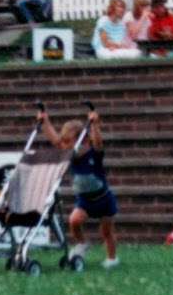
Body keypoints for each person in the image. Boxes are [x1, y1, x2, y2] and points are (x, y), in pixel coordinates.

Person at [38, 106, 120, 269]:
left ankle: (111, 258)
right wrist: (45, 122)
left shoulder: (93, 153)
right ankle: (82, 243)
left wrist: (94, 125)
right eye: (65, 143)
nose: (65, 146)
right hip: (85, 201)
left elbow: (98, 142)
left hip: (103, 199)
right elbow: (55, 140)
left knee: (106, 232)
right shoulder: (71, 155)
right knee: (74, 221)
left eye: (69, 143)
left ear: (84, 141)